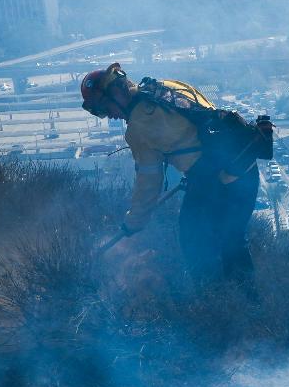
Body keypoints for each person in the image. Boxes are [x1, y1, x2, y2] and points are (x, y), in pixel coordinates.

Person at [80, 63, 274, 294]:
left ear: (116, 92)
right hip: (244, 168)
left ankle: (214, 303)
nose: (109, 116)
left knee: (194, 241)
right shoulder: (166, 87)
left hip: (218, 182)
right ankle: (246, 306)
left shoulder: (138, 128)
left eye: (104, 107)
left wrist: (134, 222)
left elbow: (148, 182)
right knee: (232, 239)